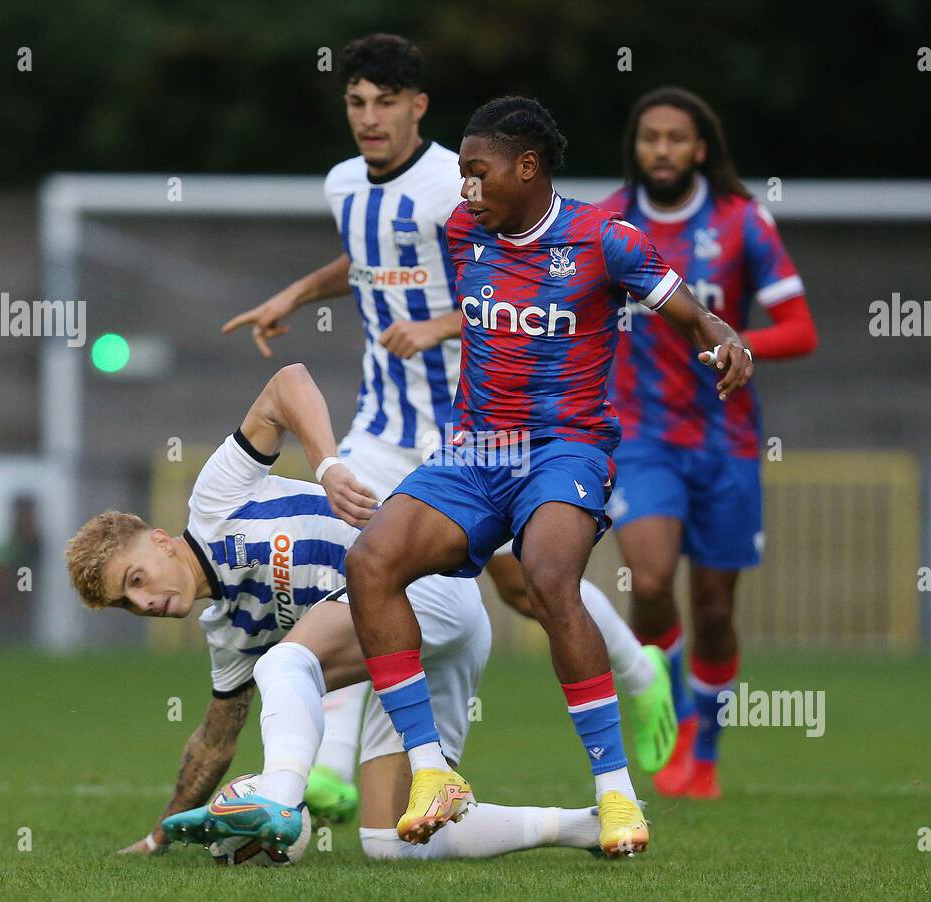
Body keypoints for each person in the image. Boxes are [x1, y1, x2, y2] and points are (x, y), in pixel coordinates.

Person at [221, 34, 676, 817]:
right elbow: (365, 261)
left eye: (385, 102)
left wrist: (440, 325)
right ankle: (330, 768)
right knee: (357, 568)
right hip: (382, 422)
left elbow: (528, 284)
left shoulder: (455, 187)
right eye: (356, 102)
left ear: (417, 107)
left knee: (529, 578)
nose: (369, 118)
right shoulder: (342, 184)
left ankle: (639, 674)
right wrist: (294, 294)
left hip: (475, 421)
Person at [342, 96, 754, 857]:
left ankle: (616, 796)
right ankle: (432, 772)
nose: (465, 188)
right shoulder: (466, 232)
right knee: (370, 562)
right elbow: (384, 274)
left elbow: (686, 310)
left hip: (565, 448)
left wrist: (724, 335)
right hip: (473, 452)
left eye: (477, 171)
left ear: (527, 167)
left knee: (548, 576)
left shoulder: (602, 240)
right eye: (462, 172)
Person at [66, 364, 605, 861]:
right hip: (435, 642)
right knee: (393, 842)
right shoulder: (229, 633)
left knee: (280, 664)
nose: (143, 603)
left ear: (160, 541)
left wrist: (326, 466)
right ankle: (582, 825)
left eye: (135, 581)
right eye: (125, 604)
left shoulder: (213, 501)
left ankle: (279, 796)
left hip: (425, 588)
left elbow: (287, 383)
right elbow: (214, 740)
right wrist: (159, 836)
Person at [601, 87, 818, 800]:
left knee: (717, 609)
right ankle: (669, 712)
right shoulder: (607, 221)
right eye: (649, 137)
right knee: (653, 580)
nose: (661, 150)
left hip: (727, 439)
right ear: (636, 147)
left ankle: (707, 748)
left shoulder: (740, 222)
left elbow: (800, 328)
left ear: (700, 148)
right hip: (639, 436)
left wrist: (729, 338)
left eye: (675, 138)